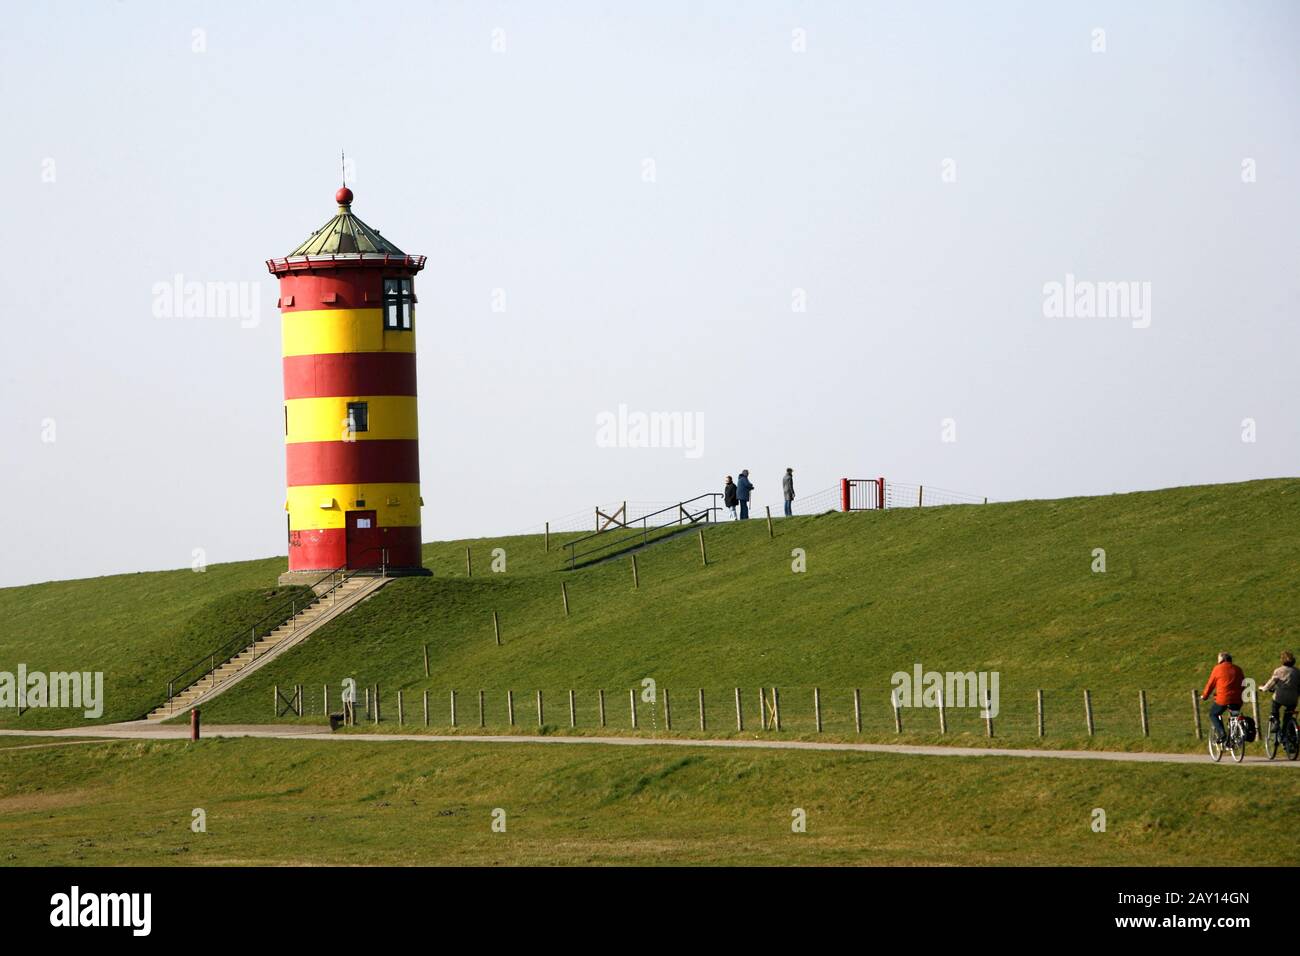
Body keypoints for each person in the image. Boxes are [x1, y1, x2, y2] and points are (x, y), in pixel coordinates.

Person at [1201, 652, 1245, 744]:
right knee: (1234, 715)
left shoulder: (1218, 669)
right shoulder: (1238, 669)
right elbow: (1244, 684)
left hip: (1223, 699)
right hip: (1237, 699)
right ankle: (1233, 738)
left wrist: (1204, 696)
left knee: (1213, 714)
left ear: (1222, 660)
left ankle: (1222, 734)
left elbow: (1210, 685)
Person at [1260, 650, 1300, 743]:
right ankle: (1287, 734)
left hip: (1280, 697)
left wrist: (1263, 688)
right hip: (1293, 699)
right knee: (1288, 716)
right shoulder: (1297, 672)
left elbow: (1271, 683)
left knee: (1275, 706)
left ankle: (1276, 721)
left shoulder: (1279, 671)